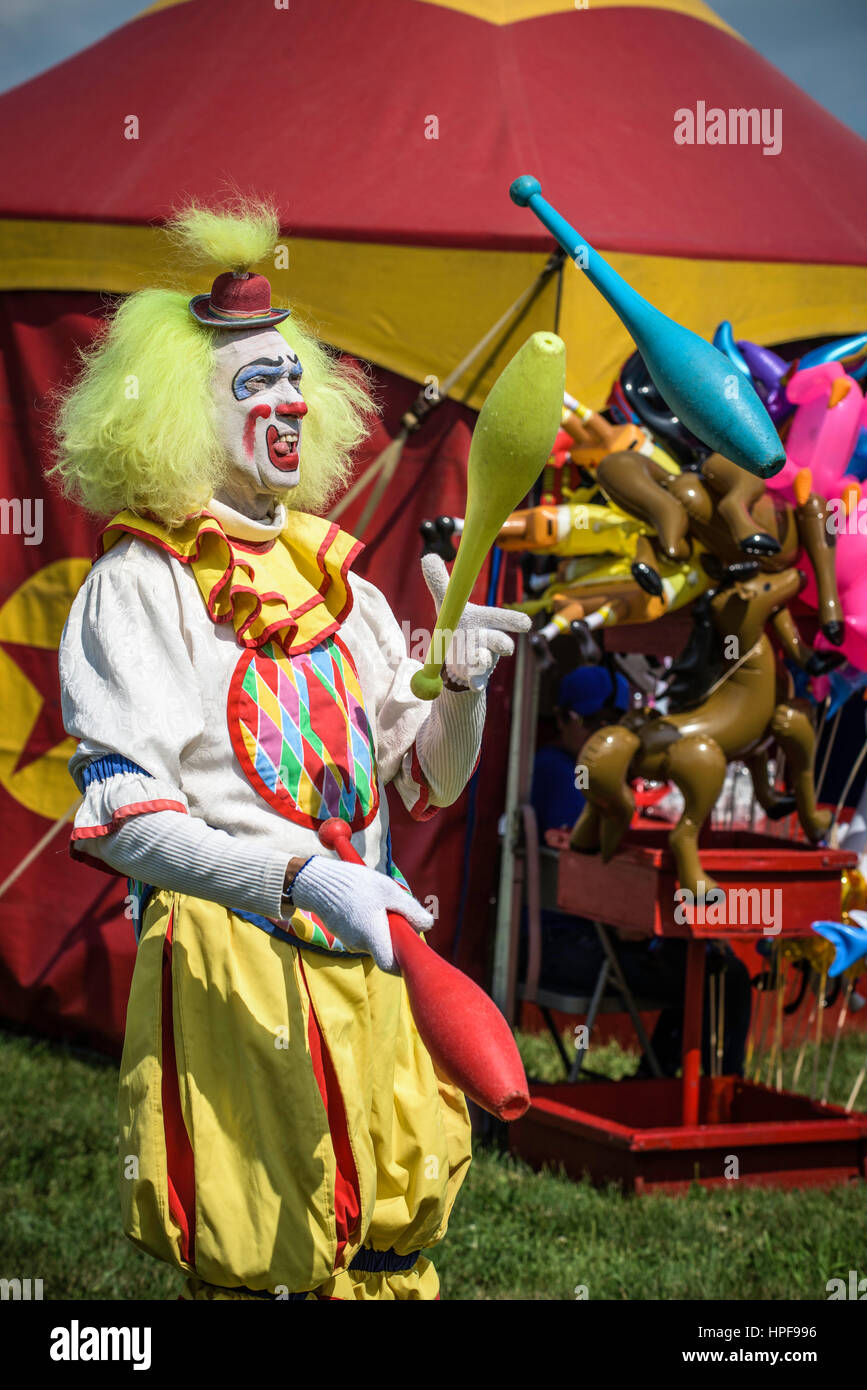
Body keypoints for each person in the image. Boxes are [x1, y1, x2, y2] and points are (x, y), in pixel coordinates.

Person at [52, 203, 528, 1301]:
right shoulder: (142, 586)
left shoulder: (343, 586)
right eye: (250, 385)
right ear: (175, 414)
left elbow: (426, 780)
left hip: (374, 957)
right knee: (269, 1254)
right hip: (236, 970)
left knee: (392, 1242)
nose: (285, 403)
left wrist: (460, 689)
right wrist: (302, 876)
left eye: (291, 379)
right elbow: (124, 817)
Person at [527, 664, 751, 1077]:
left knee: (711, 964)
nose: (606, 735)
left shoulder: (605, 779)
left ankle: (660, 1079)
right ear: (561, 719)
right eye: (594, 722)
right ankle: (698, 1092)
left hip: (593, 937)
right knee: (720, 974)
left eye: (616, 723)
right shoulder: (560, 772)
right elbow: (582, 863)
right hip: (571, 945)